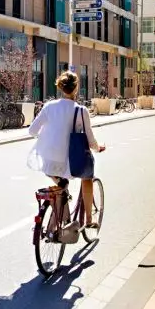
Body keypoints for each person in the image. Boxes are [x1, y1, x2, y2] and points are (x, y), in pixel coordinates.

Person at [27, 71, 106, 228]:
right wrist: (98, 148)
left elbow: (32, 131)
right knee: (87, 177)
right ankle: (89, 220)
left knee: (60, 180)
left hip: (47, 161)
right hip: (70, 161)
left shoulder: (48, 107)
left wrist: (49, 135)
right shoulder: (80, 111)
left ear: (61, 88)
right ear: (76, 88)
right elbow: (90, 140)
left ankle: (62, 192)